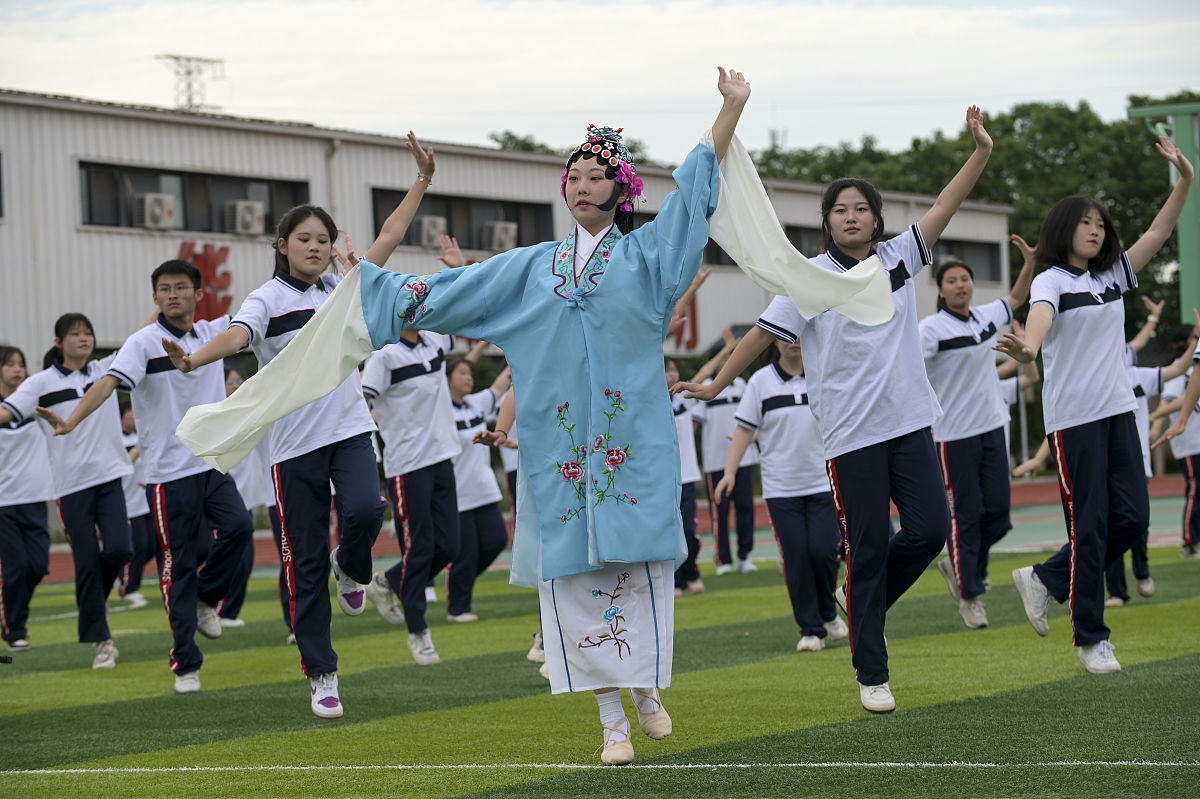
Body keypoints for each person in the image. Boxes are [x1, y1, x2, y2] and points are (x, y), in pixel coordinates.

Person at [676, 105, 996, 713]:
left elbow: (945, 206)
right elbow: (760, 336)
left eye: (861, 209)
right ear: (827, 223)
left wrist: (979, 152)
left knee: (929, 530)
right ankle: (872, 673)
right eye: (839, 210)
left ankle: (856, 597)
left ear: (876, 219)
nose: (851, 217)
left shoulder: (900, 257)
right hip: (850, 436)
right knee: (870, 546)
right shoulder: (808, 278)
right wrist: (716, 385)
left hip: (909, 422)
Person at [163, 133, 434, 717]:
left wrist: (422, 181)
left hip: (349, 430)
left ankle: (354, 565)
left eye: (324, 239)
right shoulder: (266, 298)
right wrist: (196, 357)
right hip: (292, 449)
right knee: (302, 564)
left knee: (365, 510)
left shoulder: (343, 290)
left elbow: (387, 238)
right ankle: (322, 673)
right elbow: (237, 336)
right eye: (304, 239)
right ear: (282, 245)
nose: (316, 247)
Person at [997, 134, 1194, 674]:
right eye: (1086, 223)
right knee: (1091, 524)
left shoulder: (1112, 278)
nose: (1096, 230)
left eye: (1101, 224)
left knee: (1132, 520)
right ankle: (1091, 637)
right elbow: (1038, 320)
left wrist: (1186, 180)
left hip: (1116, 414)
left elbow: (1159, 230)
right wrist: (1029, 347)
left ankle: (1045, 579)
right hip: (1073, 421)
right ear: (1065, 229)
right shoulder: (1051, 280)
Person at [45, 263, 255, 693]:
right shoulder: (141, 343)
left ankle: (203, 596)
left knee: (239, 527)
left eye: (181, 287)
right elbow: (106, 385)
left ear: (199, 293)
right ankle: (186, 664)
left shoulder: (216, 332)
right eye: (164, 289)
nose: (172, 294)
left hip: (210, 463)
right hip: (167, 474)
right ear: (155, 297)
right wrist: (71, 421)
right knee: (176, 565)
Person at [0, 315, 133, 668]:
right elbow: (5, 411)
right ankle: (102, 642)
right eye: (75, 334)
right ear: (58, 342)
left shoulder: (105, 369)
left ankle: (94, 601)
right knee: (87, 562)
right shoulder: (39, 383)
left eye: (88, 332)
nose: (84, 339)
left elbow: (145, 335)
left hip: (109, 477)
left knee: (121, 548)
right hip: (70, 486)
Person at [918, 237, 1035, 628]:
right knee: (965, 517)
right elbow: (908, 367)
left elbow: (1017, 298)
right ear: (940, 289)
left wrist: (1030, 262)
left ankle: (962, 565)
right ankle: (970, 594)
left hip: (992, 428)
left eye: (965, 278)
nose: (960, 284)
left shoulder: (986, 316)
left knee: (998, 514)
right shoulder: (930, 329)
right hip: (953, 436)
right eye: (951, 280)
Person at [713, 339, 847, 652]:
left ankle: (827, 611)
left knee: (824, 552)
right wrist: (730, 473)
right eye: (786, 334)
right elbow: (744, 429)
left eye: (800, 333)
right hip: (781, 490)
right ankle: (811, 630)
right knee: (796, 556)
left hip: (822, 484)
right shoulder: (761, 382)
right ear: (774, 338)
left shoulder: (823, 375)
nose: (794, 341)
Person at [360, 329, 476, 663]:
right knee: (420, 548)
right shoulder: (384, 356)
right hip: (408, 464)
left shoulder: (436, 339)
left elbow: (467, 317)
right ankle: (418, 631)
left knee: (449, 546)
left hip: (442, 456)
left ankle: (389, 580)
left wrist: (463, 272)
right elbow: (361, 399)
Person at [444, 356, 512, 622]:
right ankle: (458, 608)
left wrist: (517, 353)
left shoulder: (477, 403)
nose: (468, 377)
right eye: (462, 372)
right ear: (447, 378)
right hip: (458, 494)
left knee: (496, 540)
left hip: (484, 489)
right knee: (467, 551)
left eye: (469, 372)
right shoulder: (439, 410)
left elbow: (499, 386)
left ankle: (458, 580)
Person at [0, 346, 53, 652]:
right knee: (15, 567)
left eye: (21, 364)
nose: (17, 370)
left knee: (37, 565)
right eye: (10, 364)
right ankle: (15, 629)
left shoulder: (35, 403)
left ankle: (9, 610)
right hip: (3, 501)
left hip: (35, 496)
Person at [117, 397, 155, 609]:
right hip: (128, 504)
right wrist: (141, 444)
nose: (133, 415)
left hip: (144, 502)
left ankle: (119, 575)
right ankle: (128, 588)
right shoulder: (117, 440)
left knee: (150, 546)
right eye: (129, 411)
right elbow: (125, 463)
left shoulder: (141, 438)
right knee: (138, 546)